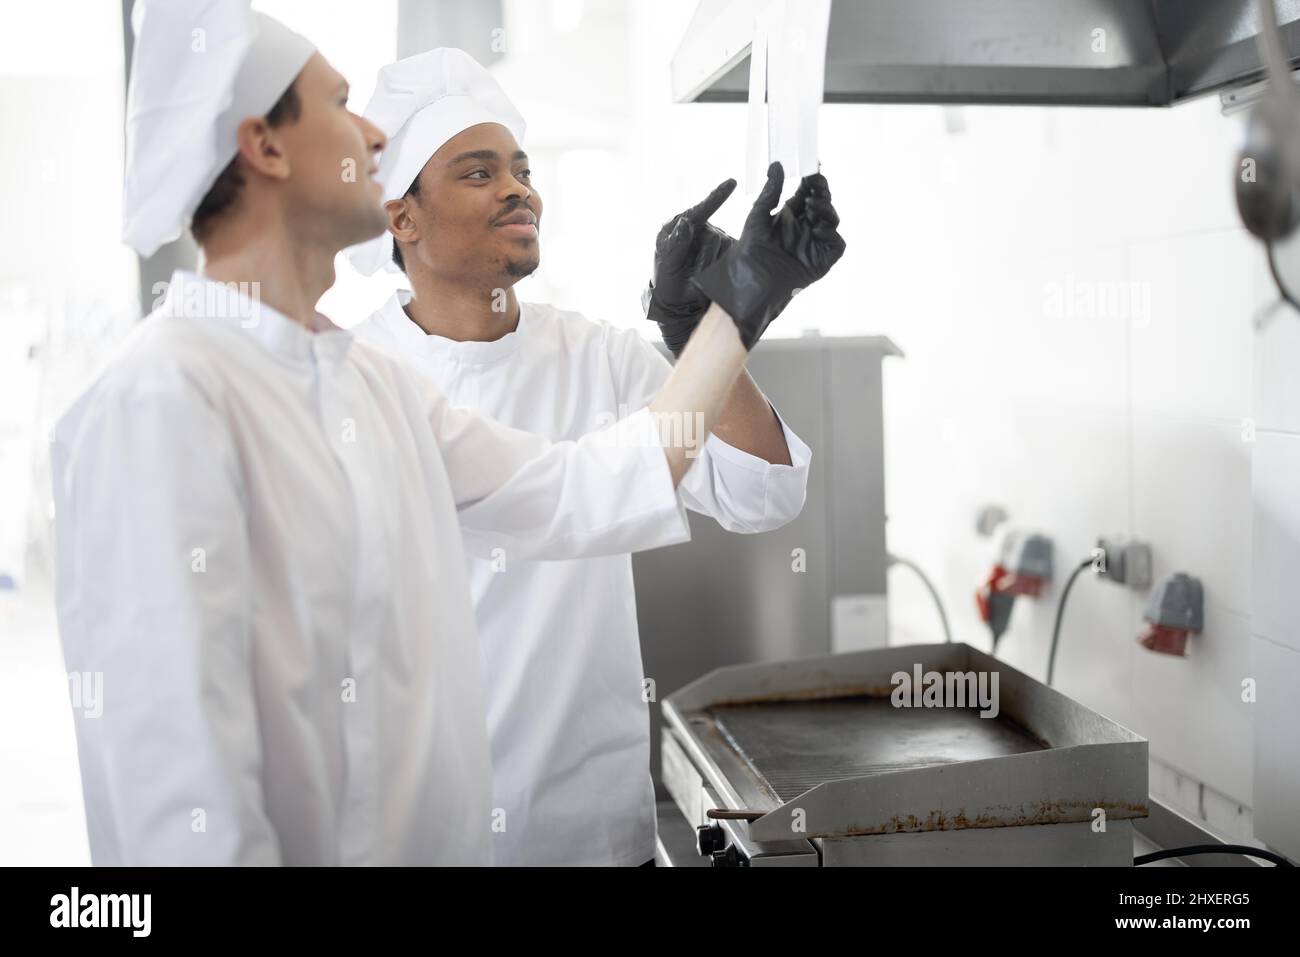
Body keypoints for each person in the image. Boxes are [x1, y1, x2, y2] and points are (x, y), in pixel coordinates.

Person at [51, 1, 846, 865]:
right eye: (341, 105)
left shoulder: (370, 386)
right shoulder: (159, 399)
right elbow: (178, 794)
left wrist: (726, 315)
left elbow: (583, 490)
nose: (371, 134)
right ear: (267, 147)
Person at [345, 48, 828, 866]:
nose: (518, 188)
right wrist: (727, 321)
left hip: (593, 832)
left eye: (521, 169)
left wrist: (693, 335)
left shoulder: (595, 356)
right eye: (477, 172)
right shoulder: (357, 381)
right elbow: (581, 493)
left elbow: (762, 494)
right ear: (403, 218)